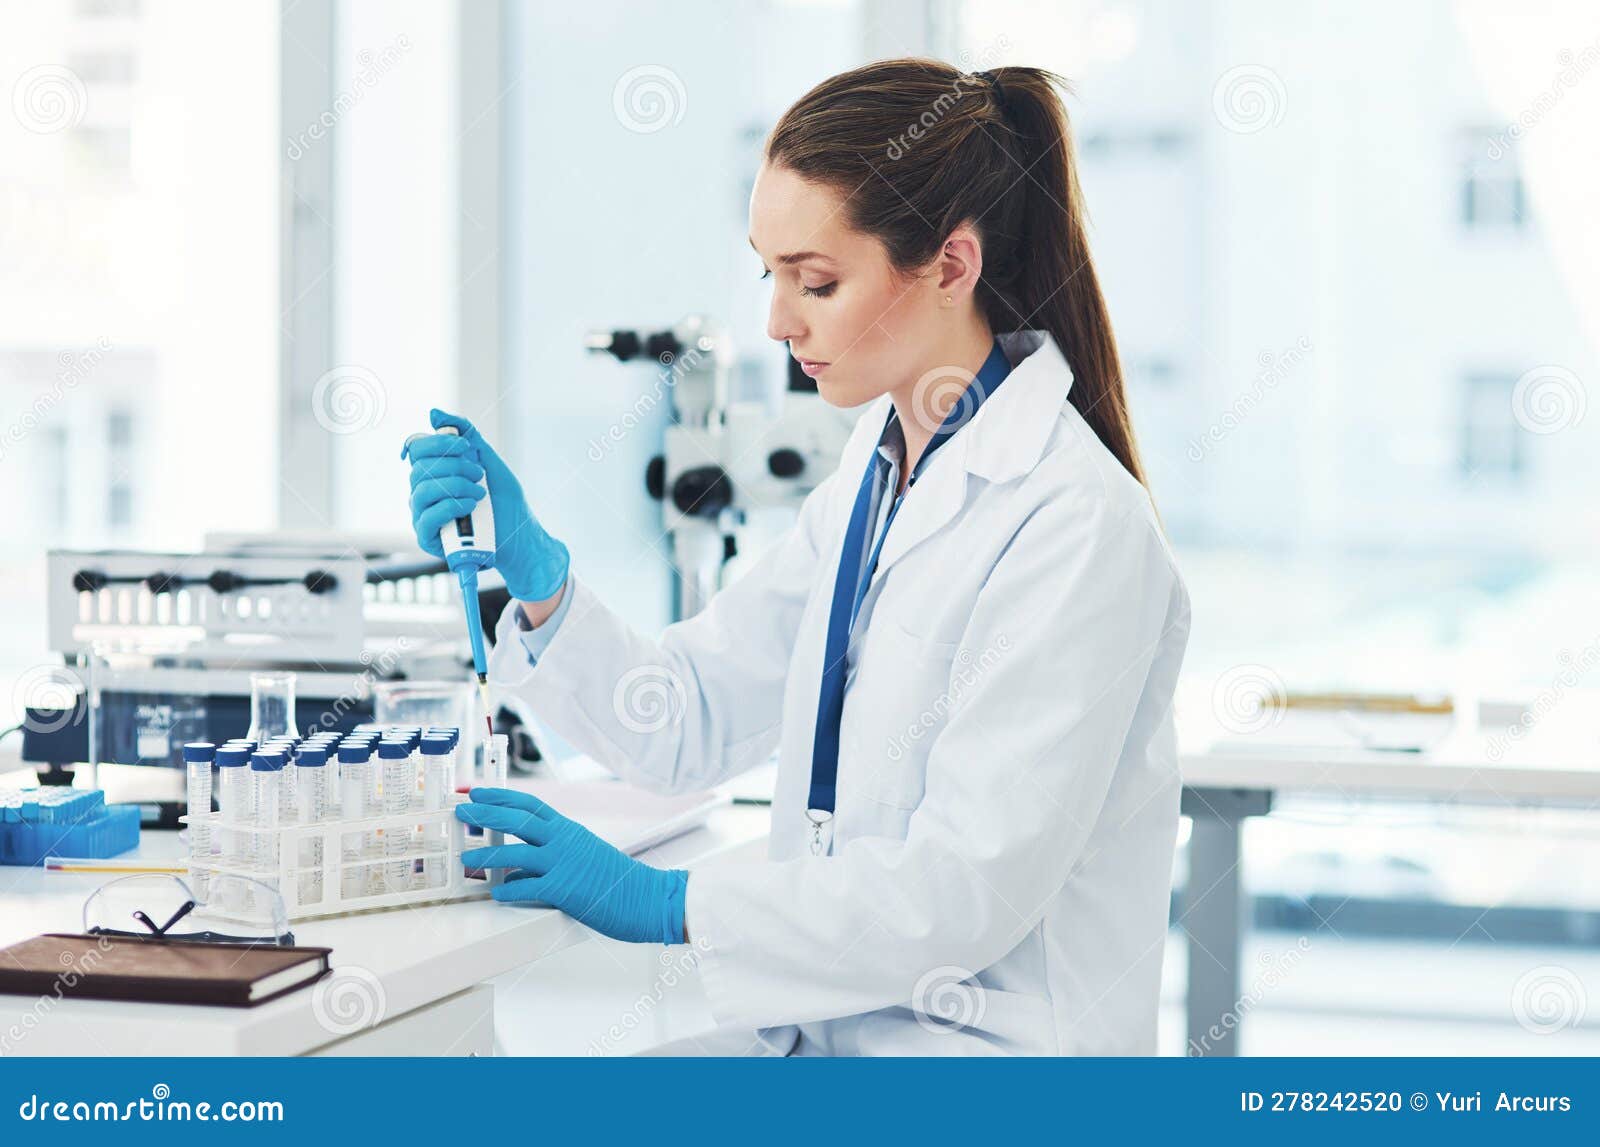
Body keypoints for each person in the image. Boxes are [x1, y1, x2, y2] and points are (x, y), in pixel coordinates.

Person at [404, 59, 1190, 1056]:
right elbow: (684, 716)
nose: (778, 323)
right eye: (770, 275)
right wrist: (544, 584)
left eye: (817, 282)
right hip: (829, 1043)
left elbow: (959, 892)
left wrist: (668, 901)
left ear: (950, 266)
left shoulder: (1075, 525)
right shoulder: (878, 473)